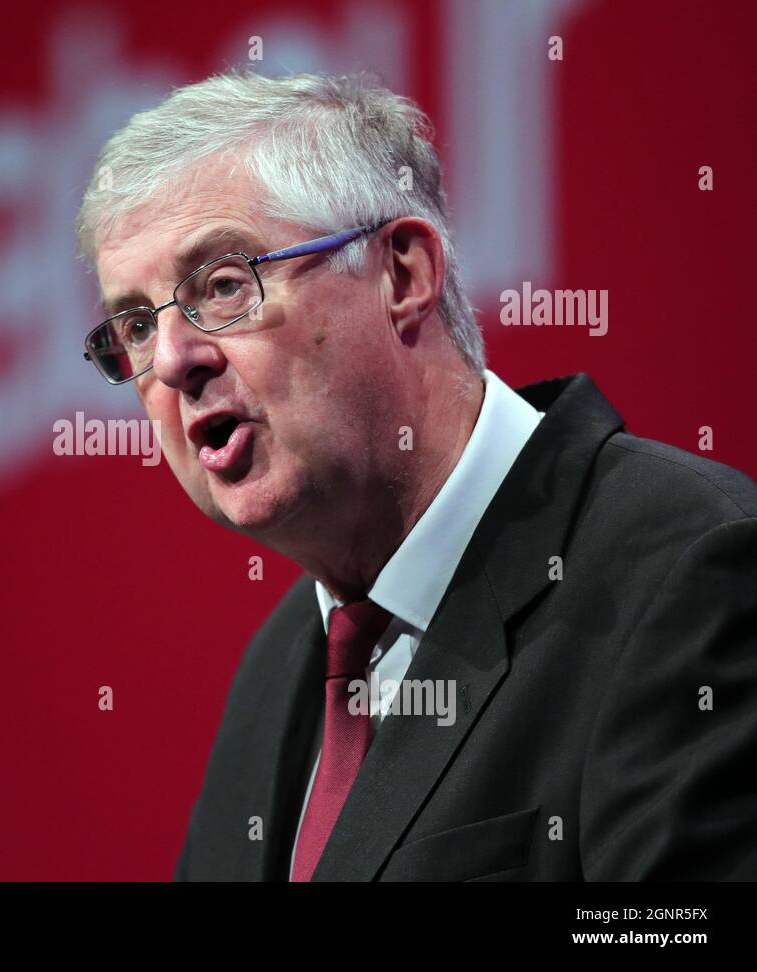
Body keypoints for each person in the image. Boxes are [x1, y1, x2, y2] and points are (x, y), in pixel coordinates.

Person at [75, 70, 757, 880]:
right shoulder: (275, 677)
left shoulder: (688, 569)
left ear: (402, 274)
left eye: (224, 286)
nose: (176, 359)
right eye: (138, 324)